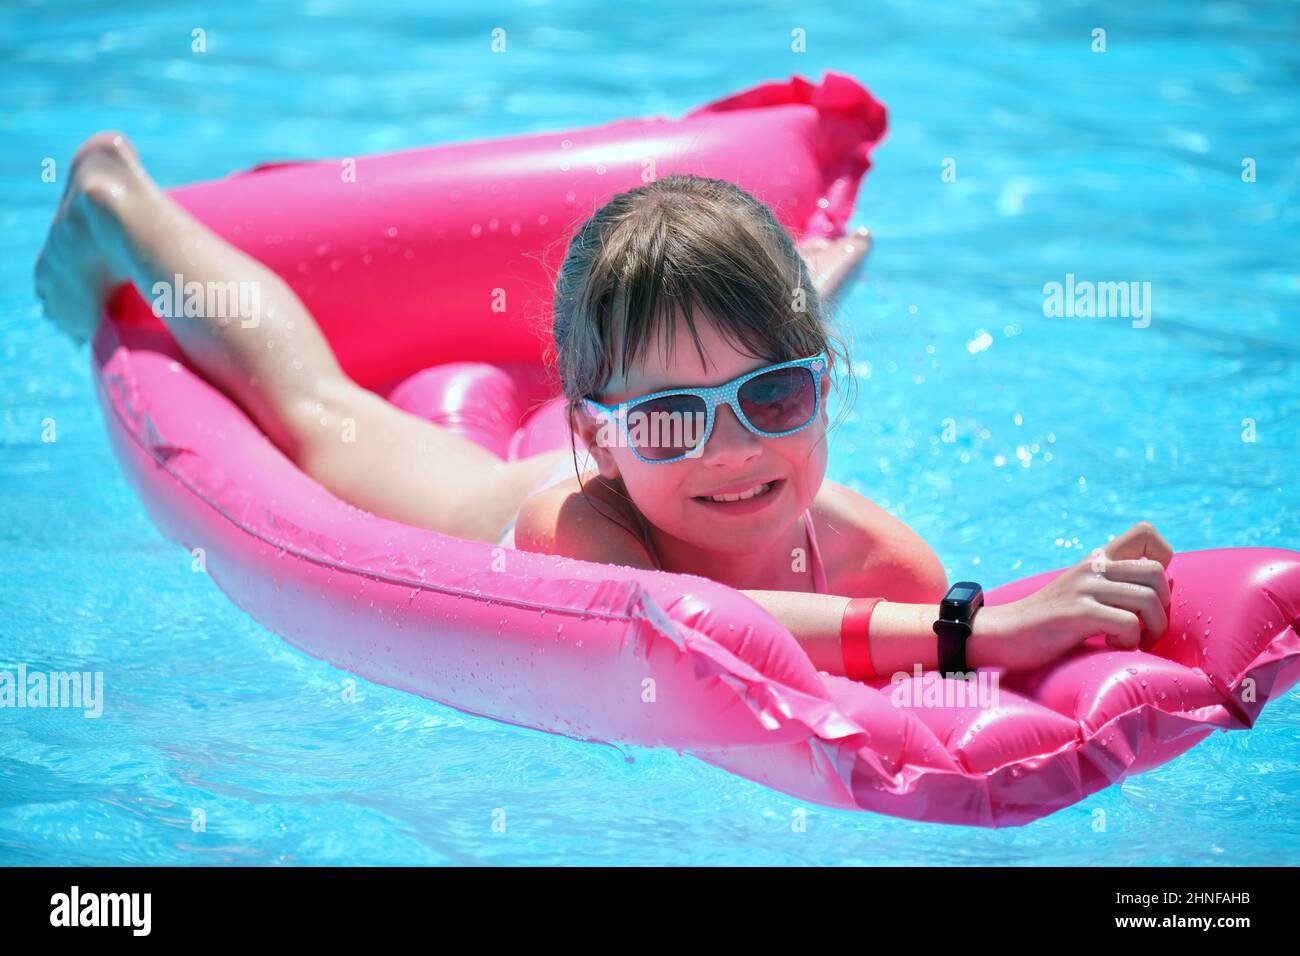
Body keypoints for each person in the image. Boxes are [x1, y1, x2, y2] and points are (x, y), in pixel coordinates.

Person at [35, 131, 1173, 680]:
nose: (735, 447)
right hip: (481, 492)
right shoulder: (578, 525)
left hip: (632, 426)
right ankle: (119, 198)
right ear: (594, 432)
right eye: (680, 415)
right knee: (314, 399)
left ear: (824, 392)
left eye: (777, 392)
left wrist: (699, 392)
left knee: (707, 352)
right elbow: (690, 620)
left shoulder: (876, 558)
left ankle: (767, 322)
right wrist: (973, 632)